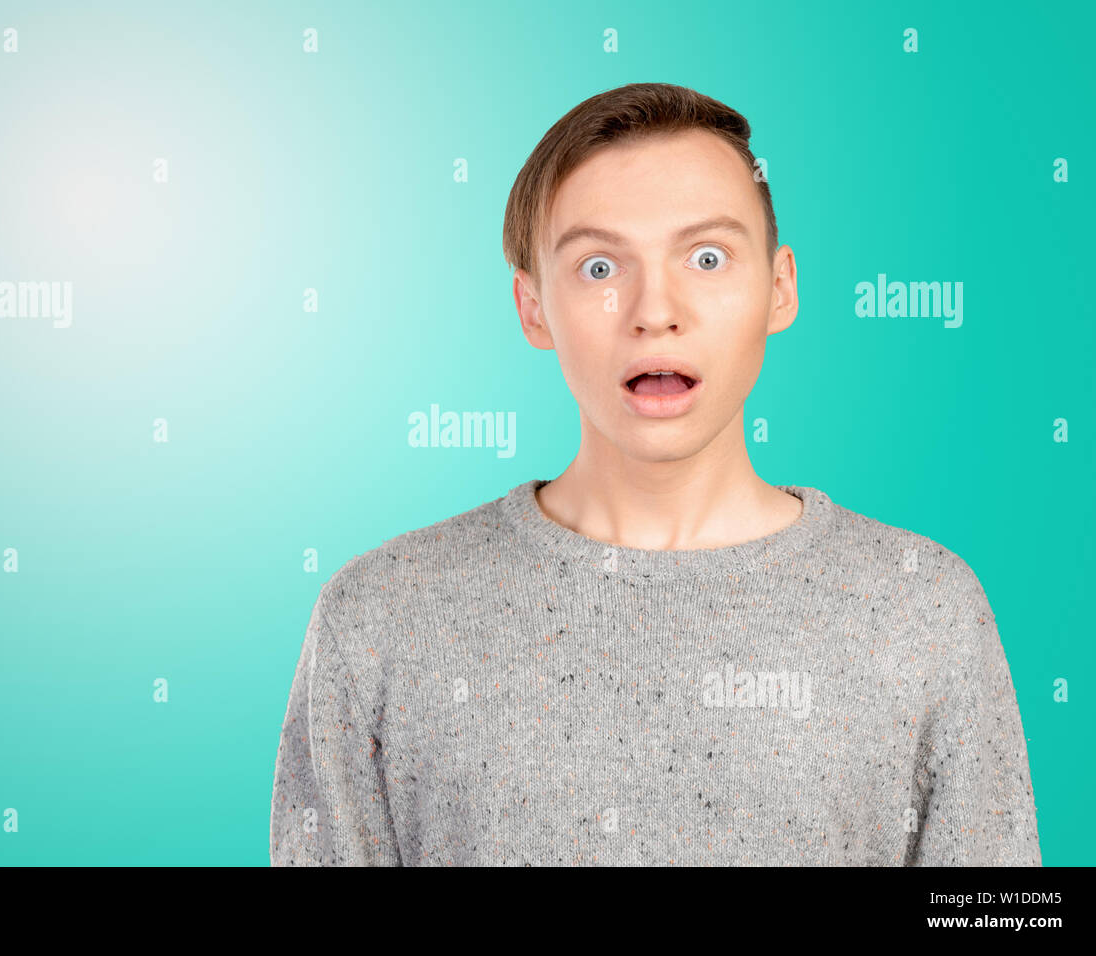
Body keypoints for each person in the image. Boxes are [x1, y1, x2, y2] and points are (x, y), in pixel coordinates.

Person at [269, 82, 1041, 866]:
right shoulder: (379, 617)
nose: (654, 310)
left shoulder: (922, 608)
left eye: (707, 257)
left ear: (779, 289)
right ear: (533, 307)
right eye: (600, 266)